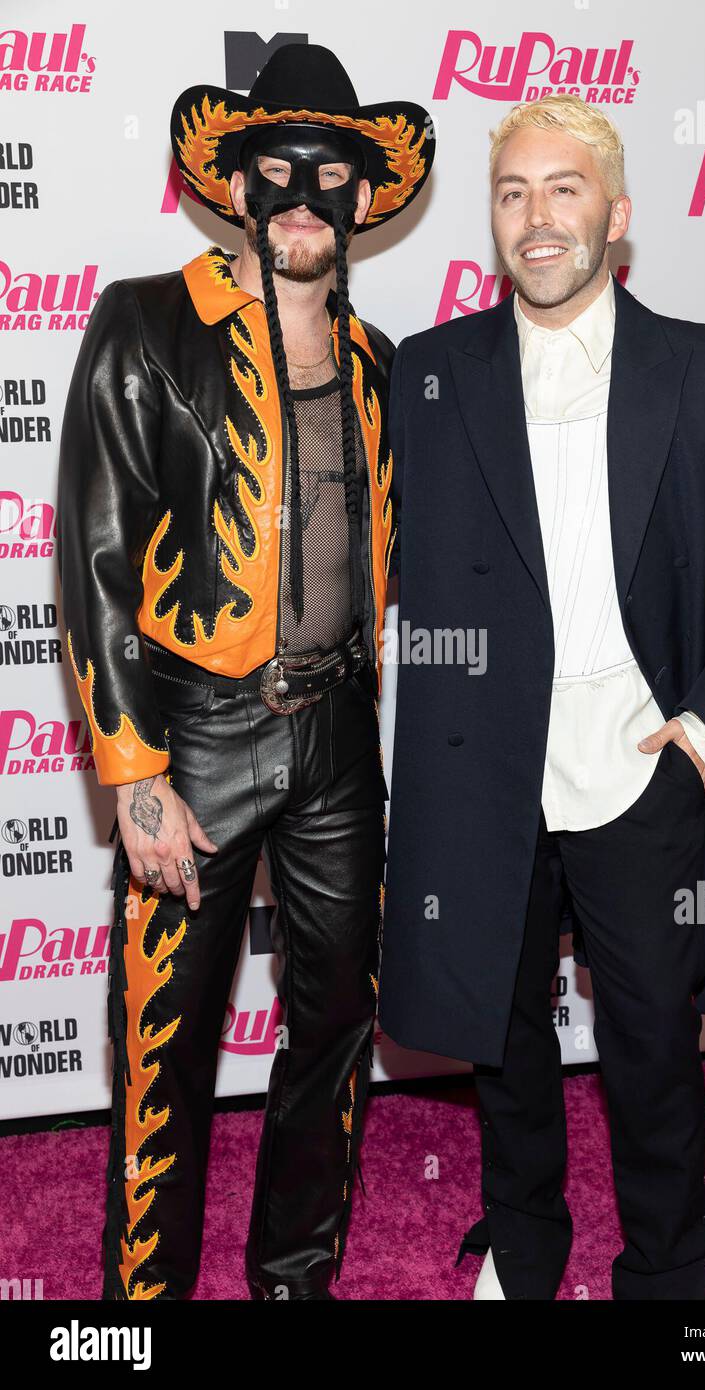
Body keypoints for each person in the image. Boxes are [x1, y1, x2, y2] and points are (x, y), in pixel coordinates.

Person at [378, 94, 705, 1301]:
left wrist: (704, 733)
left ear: (614, 216)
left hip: (641, 764)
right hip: (487, 769)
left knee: (652, 1052)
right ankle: (524, 1245)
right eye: (512, 192)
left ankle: (670, 1279)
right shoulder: (427, 375)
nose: (536, 217)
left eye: (562, 188)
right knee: (504, 1037)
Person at [57, 43, 433, 1301]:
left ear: (365, 201)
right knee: (161, 1053)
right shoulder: (148, 322)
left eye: (327, 178)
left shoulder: (385, 366)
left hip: (338, 740)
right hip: (196, 740)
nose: (299, 200)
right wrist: (136, 774)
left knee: (329, 1039)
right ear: (231, 186)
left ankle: (292, 1283)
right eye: (272, 175)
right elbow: (95, 559)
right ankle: (140, 1312)